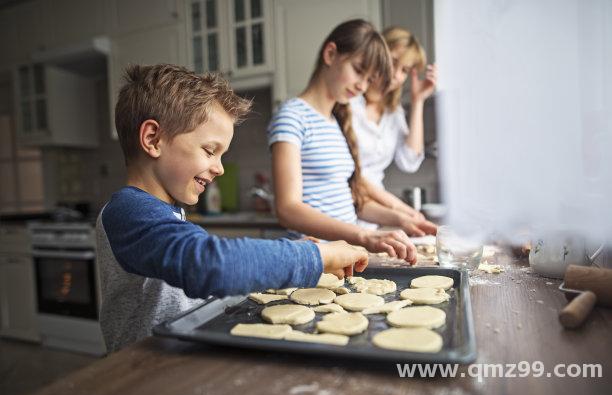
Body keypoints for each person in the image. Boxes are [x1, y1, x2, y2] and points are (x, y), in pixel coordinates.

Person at [96, 64, 368, 352]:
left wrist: (289, 246)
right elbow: (209, 264)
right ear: (153, 139)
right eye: (210, 150)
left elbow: (214, 255)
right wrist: (316, 255)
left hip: (182, 360)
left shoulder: (165, 208)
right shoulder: (129, 211)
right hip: (143, 374)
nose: (220, 169)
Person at [268, 19, 419, 263]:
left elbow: (353, 203)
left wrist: (400, 219)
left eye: (369, 79)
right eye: (359, 70)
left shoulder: (336, 122)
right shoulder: (292, 116)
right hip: (315, 259)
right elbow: (288, 209)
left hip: (344, 259)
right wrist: (364, 235)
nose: (361, 85)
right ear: (330, 54)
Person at [350, 27, 437, 233]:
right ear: (376, 53)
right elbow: (351, 175)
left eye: (404, 70)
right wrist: (399, 209)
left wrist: (418, 101)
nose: (395, 75)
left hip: (372, 219)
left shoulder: (393, 112)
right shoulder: (349, 103)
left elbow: (409, 161)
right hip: (343, 211)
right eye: (393, 61)